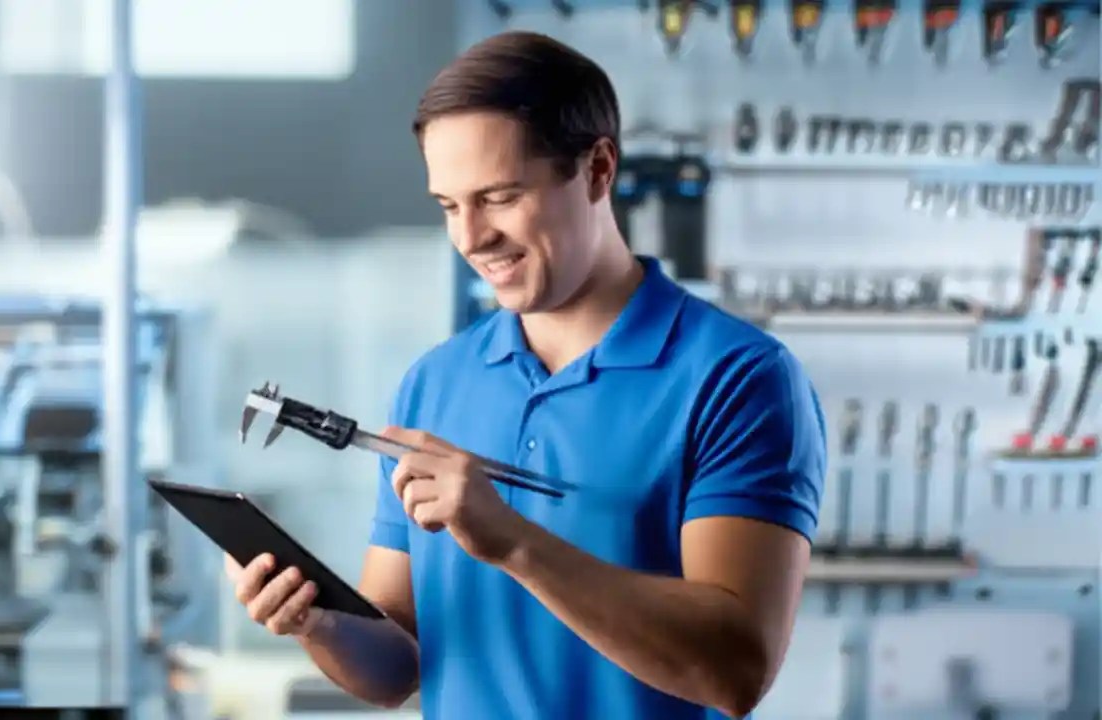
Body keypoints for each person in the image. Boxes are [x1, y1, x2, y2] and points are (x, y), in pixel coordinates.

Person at [224, 30, 826, 720]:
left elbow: (734, 668)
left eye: (501, 197)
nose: (471, 238)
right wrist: (317, 618)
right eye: (450, 205)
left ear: (598, 170)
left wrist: (512, 540)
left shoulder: (738, 380)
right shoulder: (436, 382)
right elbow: (397, 669)